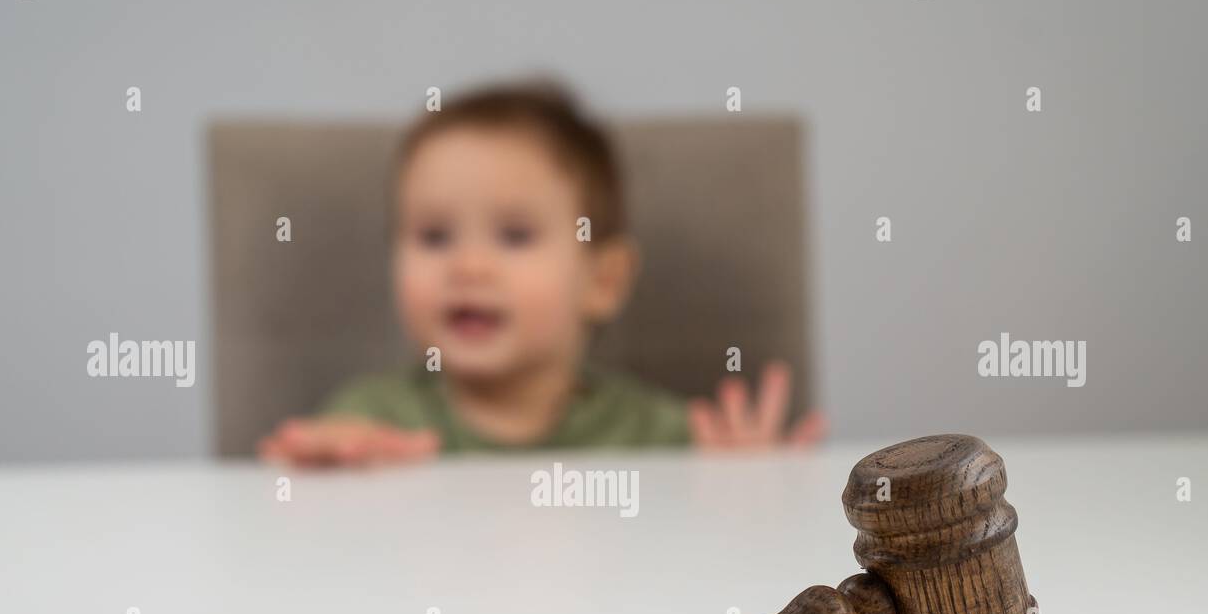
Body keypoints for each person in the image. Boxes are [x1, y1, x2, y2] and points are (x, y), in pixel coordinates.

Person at [259, 79, 826, 468]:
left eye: (514, 235)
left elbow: (717, 550)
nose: (467, 266)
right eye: (434, 236)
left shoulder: (659, 436)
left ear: (602, 281)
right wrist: (319, 464)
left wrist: (751, 485)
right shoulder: (376, 419)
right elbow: (275, 500)